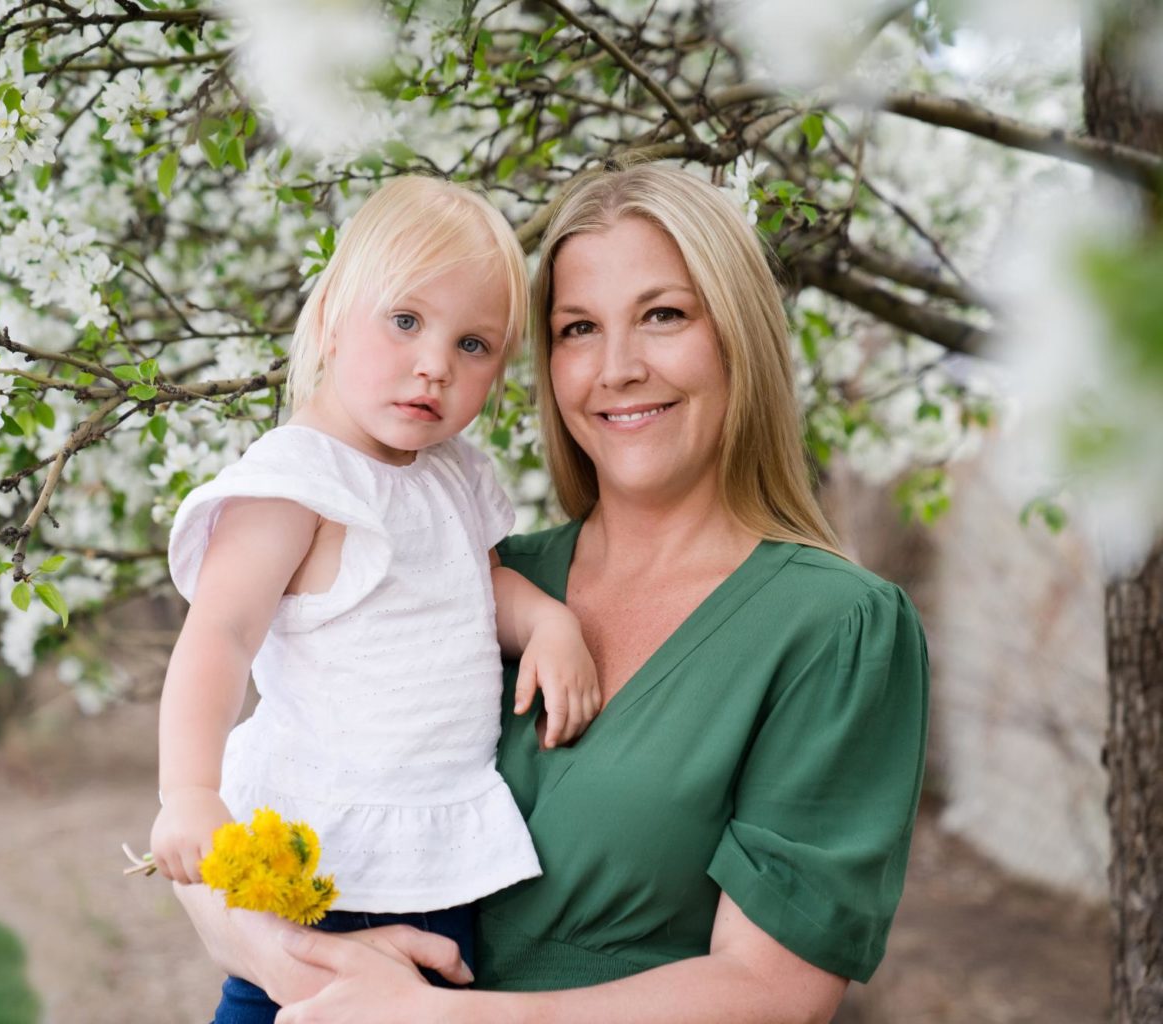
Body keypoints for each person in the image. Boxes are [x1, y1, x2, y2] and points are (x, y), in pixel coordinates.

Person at [173, 162, 931, 1024]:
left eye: (664, 315)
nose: (617, 368)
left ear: (740, 337)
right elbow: (230, 804)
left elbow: (774, 994)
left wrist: (436, 1018)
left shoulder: (833, 628)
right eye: (578, 328)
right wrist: (295, 961)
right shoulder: (474, 579)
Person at [148, 175, 603, 1024]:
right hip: (319, 860)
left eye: (475, 346)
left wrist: (545, 617)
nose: (435, 363)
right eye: (405, 322)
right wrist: (189, 793)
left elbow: (476, 591)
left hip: (437, 849)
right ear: (329, 317)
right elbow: (218, 636)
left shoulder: (456, 475)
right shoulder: (298, 482)